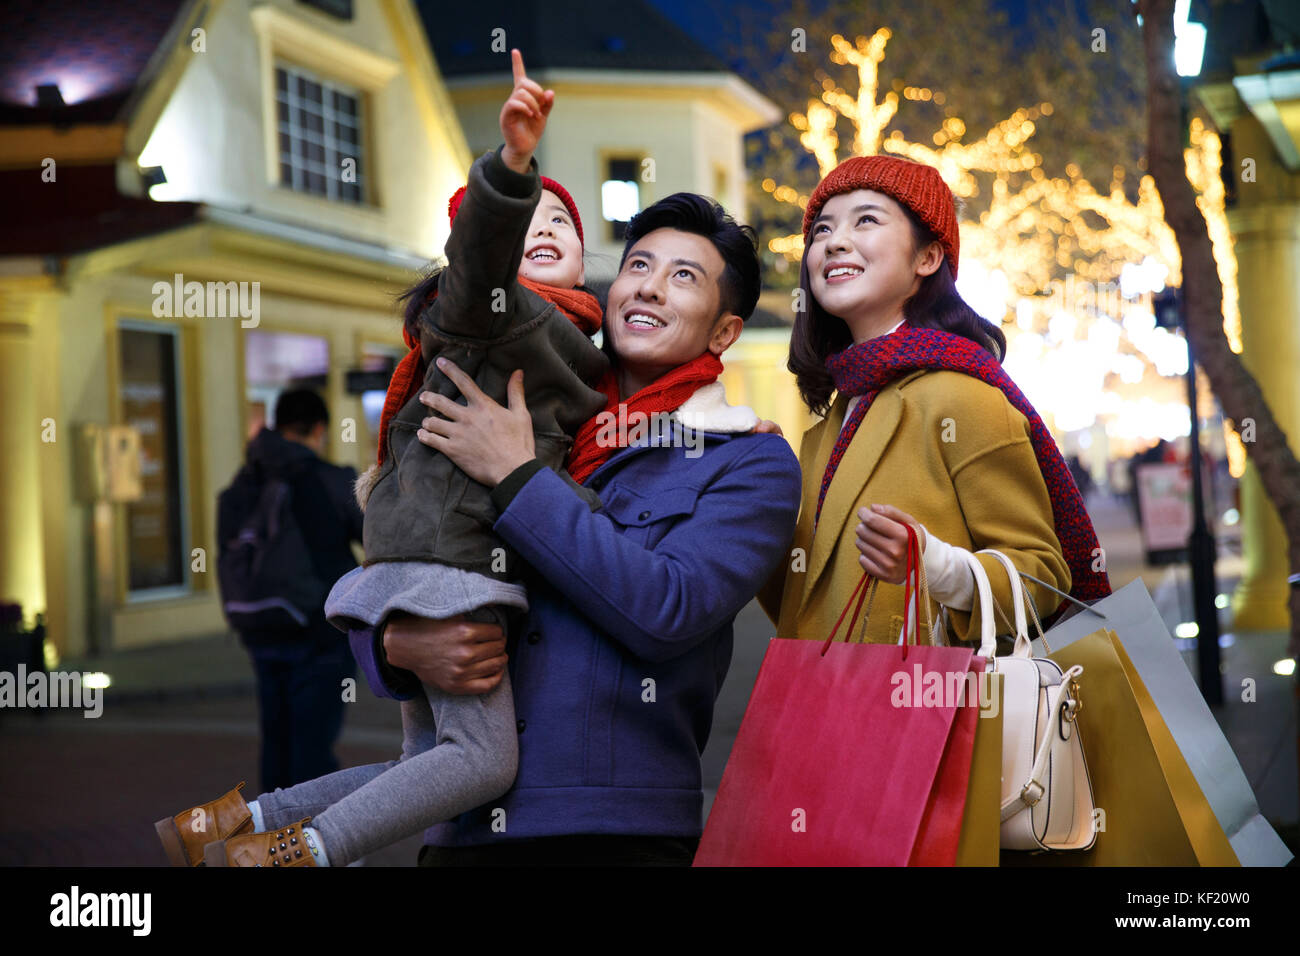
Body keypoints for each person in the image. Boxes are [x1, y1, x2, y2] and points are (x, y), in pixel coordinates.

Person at [157, 52, 616, 868]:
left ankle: (230, 822)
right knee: (480, 762)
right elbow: (478, 258)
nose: (544, 226)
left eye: (562, 223)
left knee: (425, 764)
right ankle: (301, 854)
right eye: (528, 219)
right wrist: (510, 170)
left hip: (428, 560)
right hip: (457, 563)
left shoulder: (573, 341)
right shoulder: (494, 312)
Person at [360, 191, 802, 866]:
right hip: (460, 827)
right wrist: (393, 646)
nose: (650, 287)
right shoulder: (520, 404)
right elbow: (405, 550)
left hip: (611, 833)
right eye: (639, 265)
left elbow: (667, 609)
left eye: (684, 276)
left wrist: (516, 475)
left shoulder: (747, 459)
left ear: (724, 331)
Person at [759, 154, 1110, 648]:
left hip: (934, 714)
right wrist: (755, 493)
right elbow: (804, 611)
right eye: (821, 230)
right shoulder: (835, 419)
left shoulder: (962, 395)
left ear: (927, 258)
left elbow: (1045, 578)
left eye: (866, 220)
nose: (834, 241)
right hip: (833, 713)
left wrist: (939, 569)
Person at [222, 391, 361, 791]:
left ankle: (271, 841)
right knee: (312, 749)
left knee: (277, 743)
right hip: (317, 634)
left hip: (258, 628)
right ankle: (314, 845)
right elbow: (380, 537)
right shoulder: (330, 480)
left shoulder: (244, 483)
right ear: (319, 429)